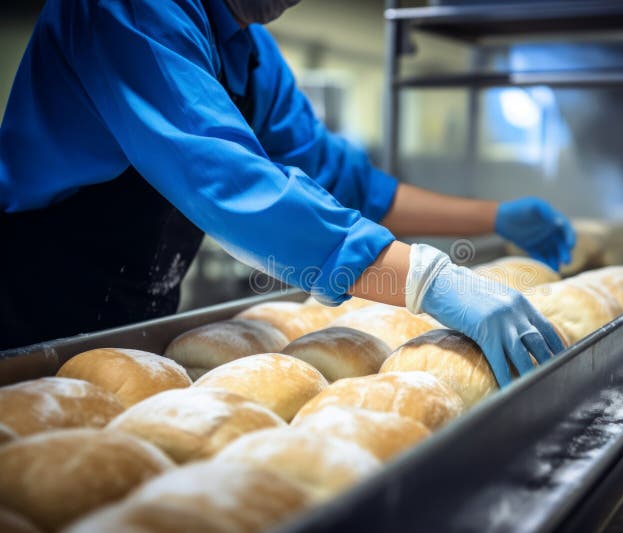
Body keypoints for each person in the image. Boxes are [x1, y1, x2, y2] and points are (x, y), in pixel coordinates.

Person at [0, 0, 574, 386]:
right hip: (29, 310)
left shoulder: (250, 56)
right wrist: (430, 280)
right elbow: (229, 181)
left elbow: (344, 183)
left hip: (135, 322)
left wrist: (494, 217)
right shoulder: (126, 12)